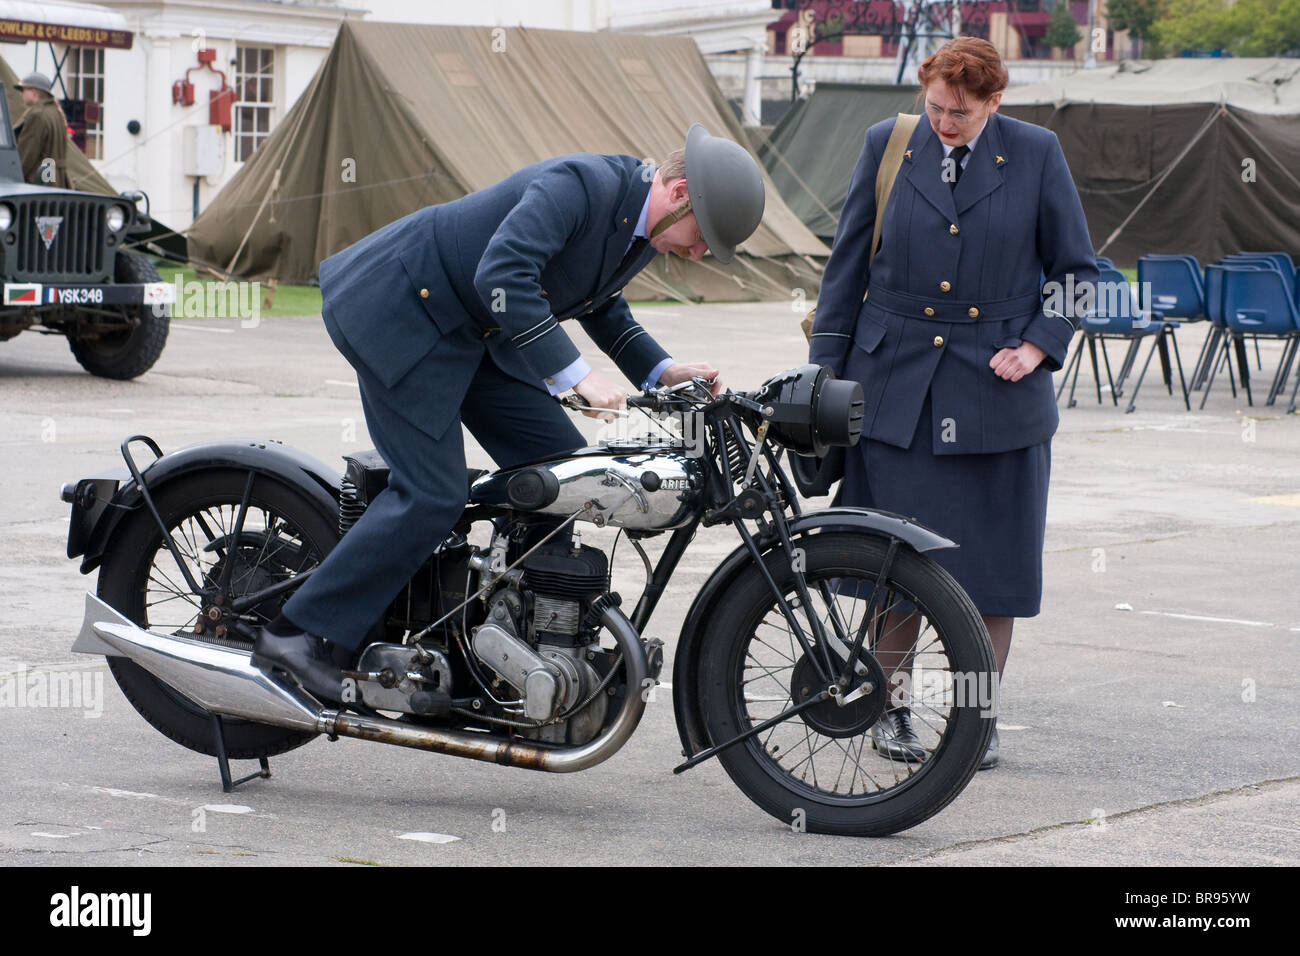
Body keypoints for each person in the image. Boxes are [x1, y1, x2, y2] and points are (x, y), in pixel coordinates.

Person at [253, 124, 765, 701]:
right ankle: (295, 639)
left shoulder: (638, 228)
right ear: (678, 195)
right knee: (431, 494)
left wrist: (661, 371)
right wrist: (575, 375)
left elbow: (603, 306)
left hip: (474, 332)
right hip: (406, 311)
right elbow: (502, 273)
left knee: (560, 475)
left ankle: (507, 636)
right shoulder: (581, 185)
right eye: (704, 237)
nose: (699, 254)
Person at [809, 37, 1097, 770]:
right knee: (893, 565)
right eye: (935, 105)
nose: (944, 121)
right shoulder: (888, 143)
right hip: (895, 387)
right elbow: (845, 270)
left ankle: (976, 719)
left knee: (993, 571)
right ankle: (890, 707)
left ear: (996, 103)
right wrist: (823, 379)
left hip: (997, 391)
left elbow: (1076, 273)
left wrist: (1037, 345)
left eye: (961, 113)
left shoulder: (1036, 153)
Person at [14, 72, 70, 188]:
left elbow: (27, 154)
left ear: (34, 93)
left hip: (41, 181)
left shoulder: (37, 115)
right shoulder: (55, 112)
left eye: (23, 90)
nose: (21, 94)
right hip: (57, 180)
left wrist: (15, 178)